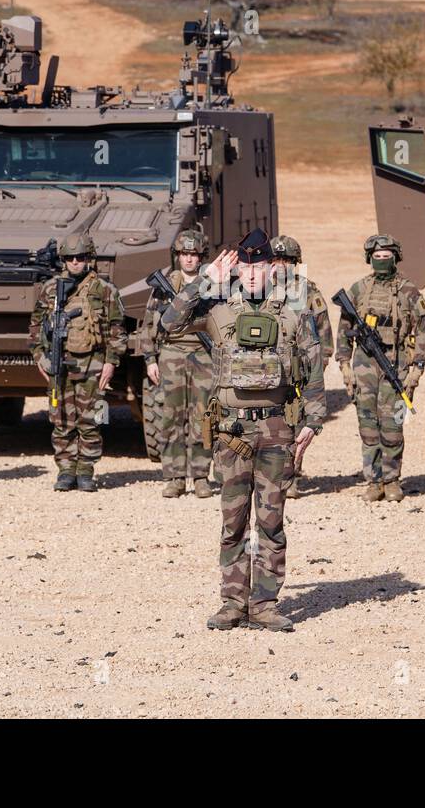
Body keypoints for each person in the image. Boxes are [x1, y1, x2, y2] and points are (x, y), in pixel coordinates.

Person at [160, 228, 325, 633]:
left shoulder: (293, 306)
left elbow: (313, 364)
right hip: (231, 432)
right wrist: (204, 280)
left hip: (275, 430)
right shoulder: (217, 305)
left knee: (270, 521)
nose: (251, 273)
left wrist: (313, 421)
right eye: (245, 266)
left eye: (259, 265)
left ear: (271, 266)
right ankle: (233, 603)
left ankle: (265, 604)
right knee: (233, 522)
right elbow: (169, 323)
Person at [336, 235, 425, 502]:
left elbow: (423, 330)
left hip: (396, 364)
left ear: (396, 257)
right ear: (369, 259)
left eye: (387, 256)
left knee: (393, 425)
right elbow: (344, 330)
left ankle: (392, 479)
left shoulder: (409, 290)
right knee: (367, 425)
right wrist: (344, 364)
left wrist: (417, 368)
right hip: (364, 366)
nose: (382, 260)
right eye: (377, 257)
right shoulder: (358, 290)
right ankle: (373, 481)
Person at [29, 234, 125, 492]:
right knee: (60, 420)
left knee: (91, 420)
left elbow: (117, 329)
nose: (74, 262)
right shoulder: (51, 289)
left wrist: (110, 362)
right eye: (70, 258)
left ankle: (86, 471)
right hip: (59, 365)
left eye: (80, 257)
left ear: (88, 258)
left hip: (92, 364)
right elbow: (36, 325)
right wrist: (40, 355)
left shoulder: (104, 290)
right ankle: (65, 471)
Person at [143, 230, 215, 499]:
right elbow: (149, 323)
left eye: (194, 254)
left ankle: (200, 476)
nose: (188, 259)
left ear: (201, 257)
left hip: (203, 355)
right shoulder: (165, 284)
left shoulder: (211, 285)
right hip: (171, 353)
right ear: (178, 256)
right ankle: (173, 477)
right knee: (170, 417)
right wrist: (150, 359)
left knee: (202, 418)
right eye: (184, 254)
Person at [270, 234, 332, 499]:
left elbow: (323, 330)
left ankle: (291, 479)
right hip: (266, 370)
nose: (281, 265)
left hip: (299, 368)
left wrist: (320, 364)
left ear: (295, 263)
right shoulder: (256, 289)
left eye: (287, 260)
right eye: (276, 259)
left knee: (296, 424)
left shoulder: (307, 291)